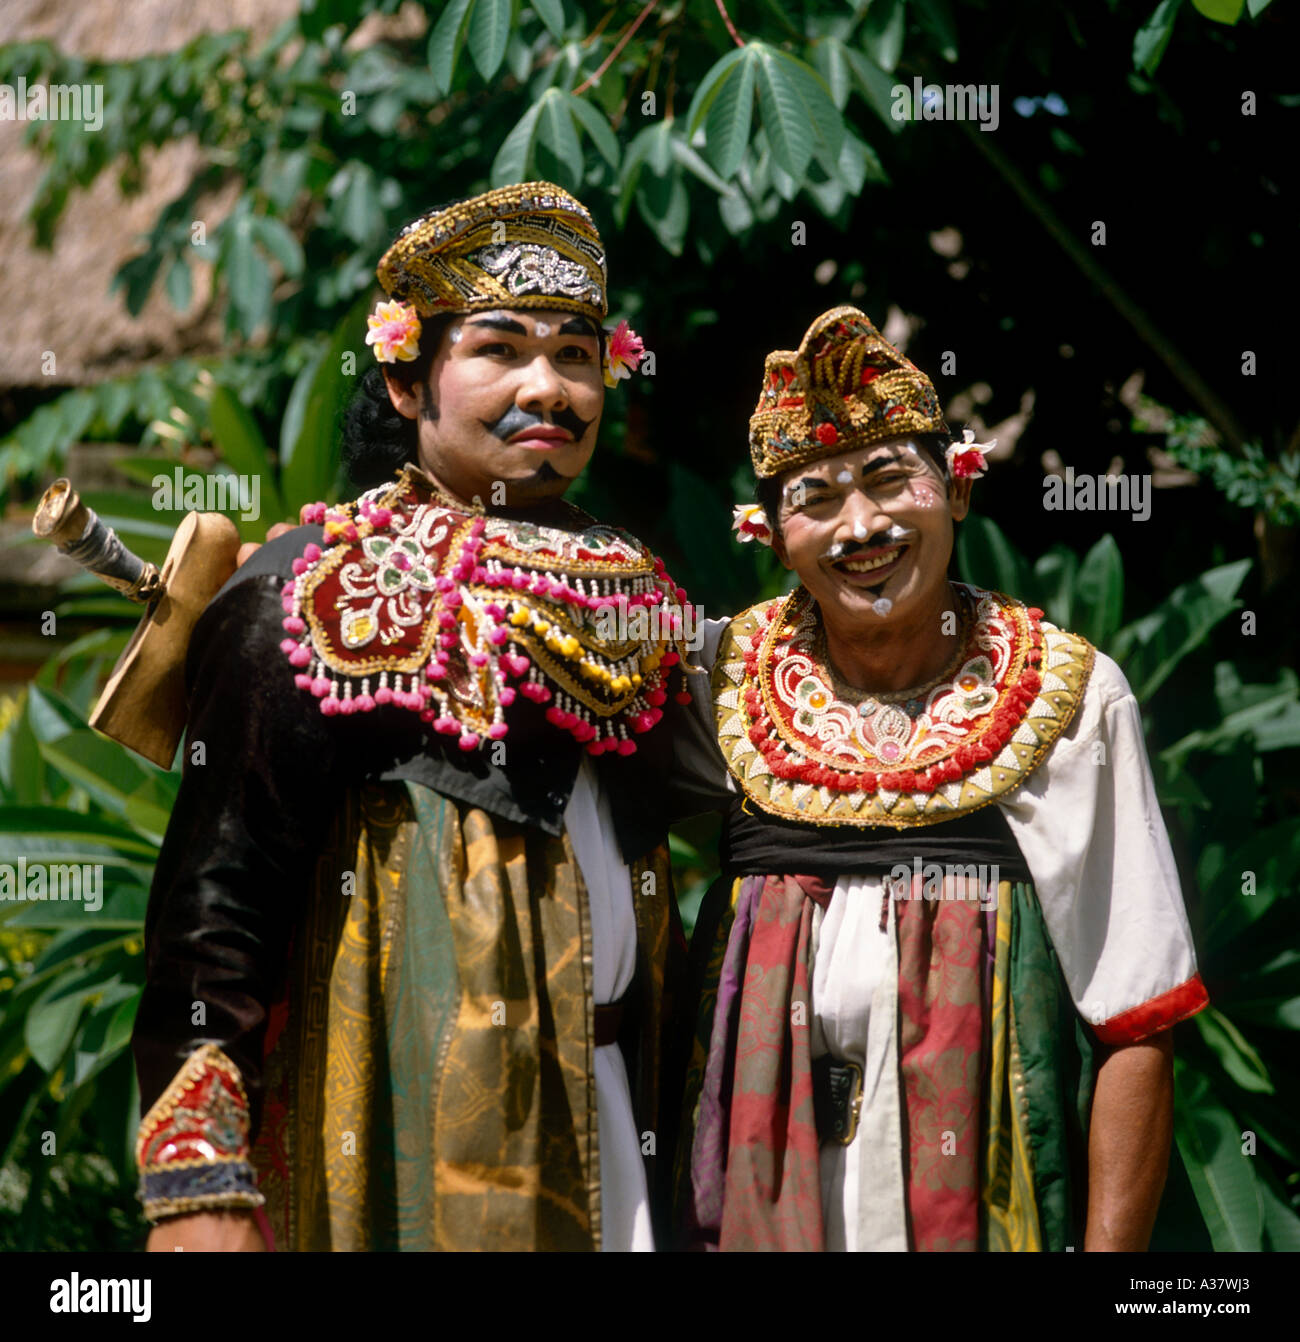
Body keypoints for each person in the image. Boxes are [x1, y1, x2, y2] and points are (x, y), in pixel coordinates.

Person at [130, 182, 696, 1252]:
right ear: (403, 377)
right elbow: (216, 902)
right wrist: (200, 1187)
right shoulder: (311, 591)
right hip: (412, 1132)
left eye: (577, 354)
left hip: (631, 1104)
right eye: (500, 348)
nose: (550, 386)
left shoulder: (640, 595)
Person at [671, 305, 1209, 1251]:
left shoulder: (1069, 695)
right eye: (818, 499)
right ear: (769, 534)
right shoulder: (713, 681)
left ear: (957, 490)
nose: (862, 526)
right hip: (764, 1174)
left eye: (889, 480)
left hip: (978, 1177)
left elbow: (1137, 1015)